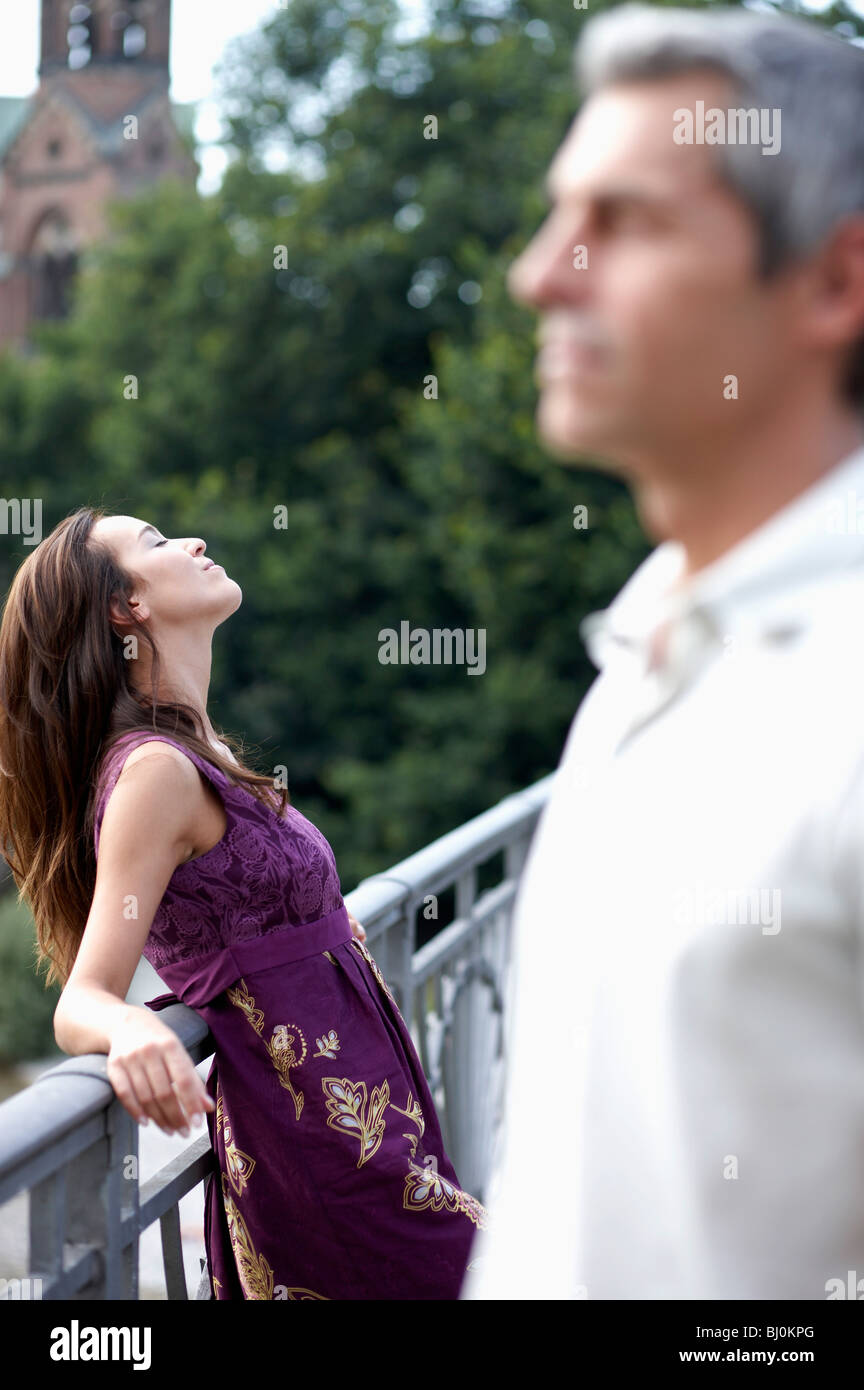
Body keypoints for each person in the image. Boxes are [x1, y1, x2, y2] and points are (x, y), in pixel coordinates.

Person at [462, 4, 864, 1299]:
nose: (540, 273)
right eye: (558, 210)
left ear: (836, 282)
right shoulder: (659, 628)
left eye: (622, 223)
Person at [0, 509, 487, 1299]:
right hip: (326, 1162)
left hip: (377, 1137)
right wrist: (132, 1027)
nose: (193, 542)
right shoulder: (154, 770)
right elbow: (82, 999)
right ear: (127, 608)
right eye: (157, 543)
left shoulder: (202, 749)